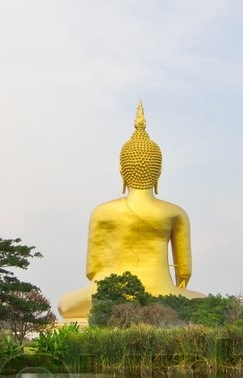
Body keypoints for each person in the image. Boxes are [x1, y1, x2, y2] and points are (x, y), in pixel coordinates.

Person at [58, 102, 204, 321]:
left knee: (66, 304)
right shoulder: (175, 213)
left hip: (107, 297)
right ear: (159, 171)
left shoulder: (102, 212)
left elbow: (91, 270)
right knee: (203, 302)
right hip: (162, 297)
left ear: (121, 169)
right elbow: (184, 274)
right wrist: (175, 291)